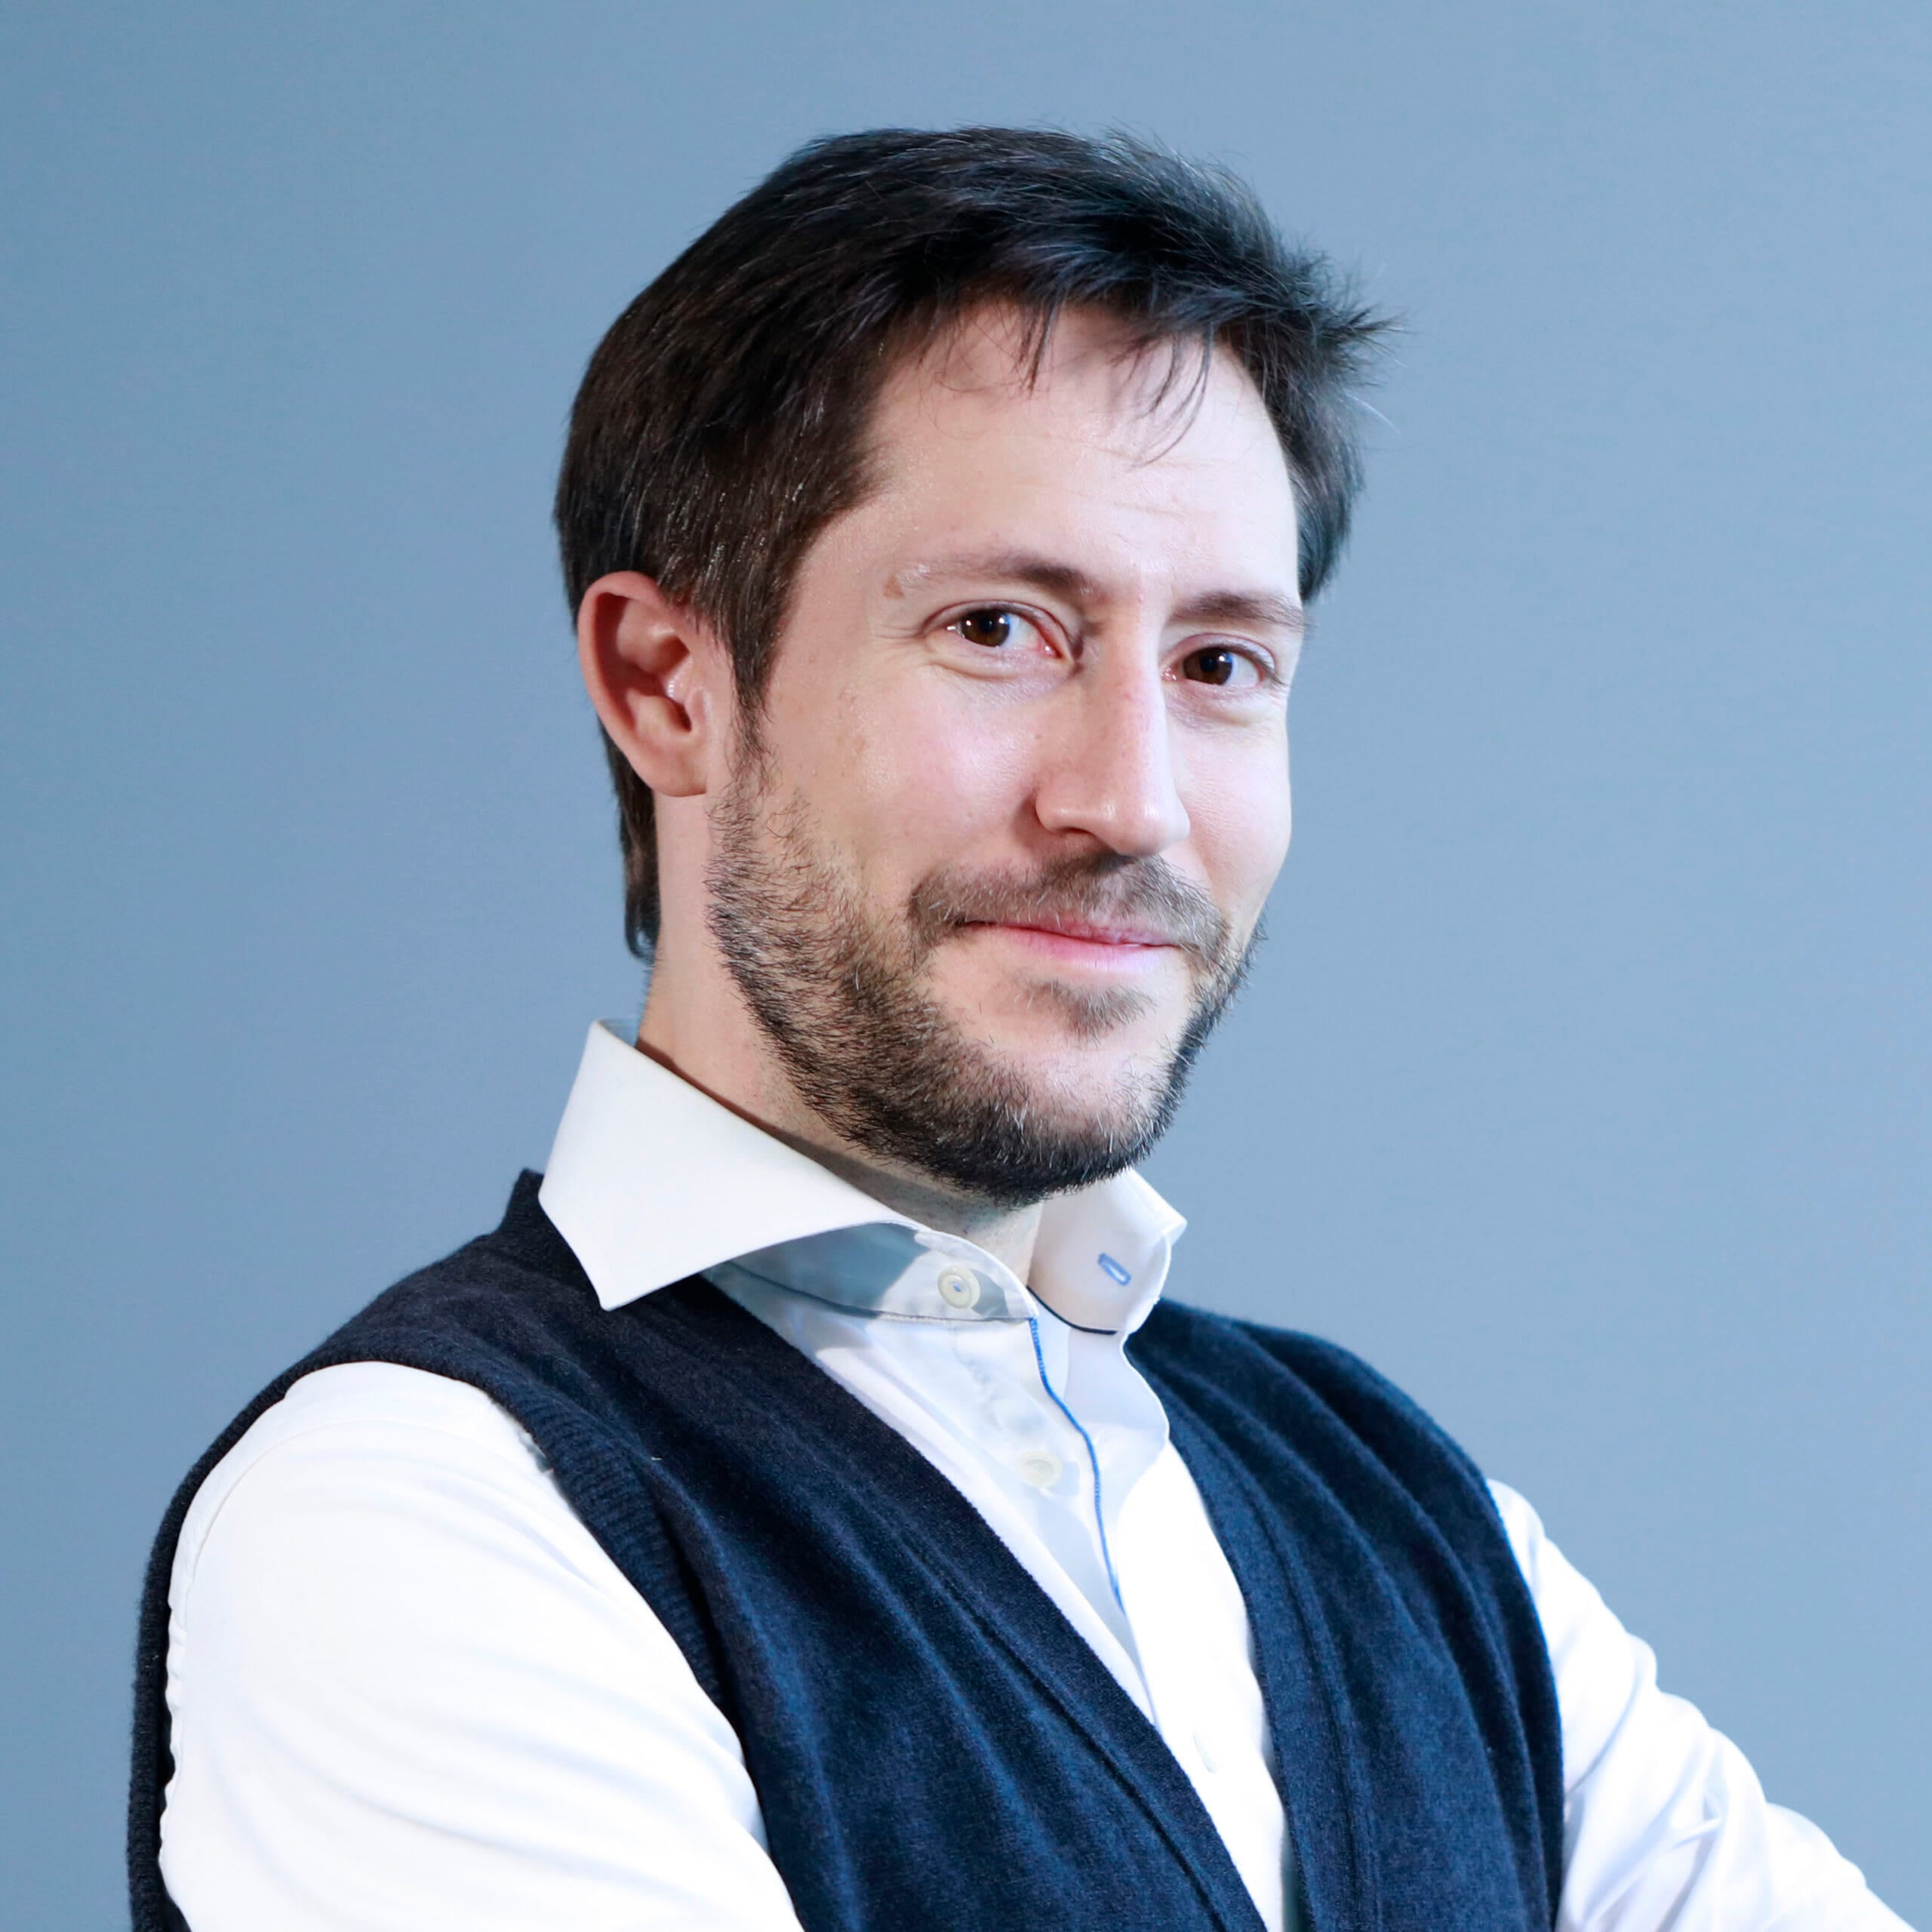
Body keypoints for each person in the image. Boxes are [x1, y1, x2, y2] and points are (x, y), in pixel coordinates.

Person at [129, 128, 1906, 1932]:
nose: (1129, 801)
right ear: (670, 684)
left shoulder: (1403, 1517)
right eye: (999, 628)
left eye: (1218, 664)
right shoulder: (416, 1511)